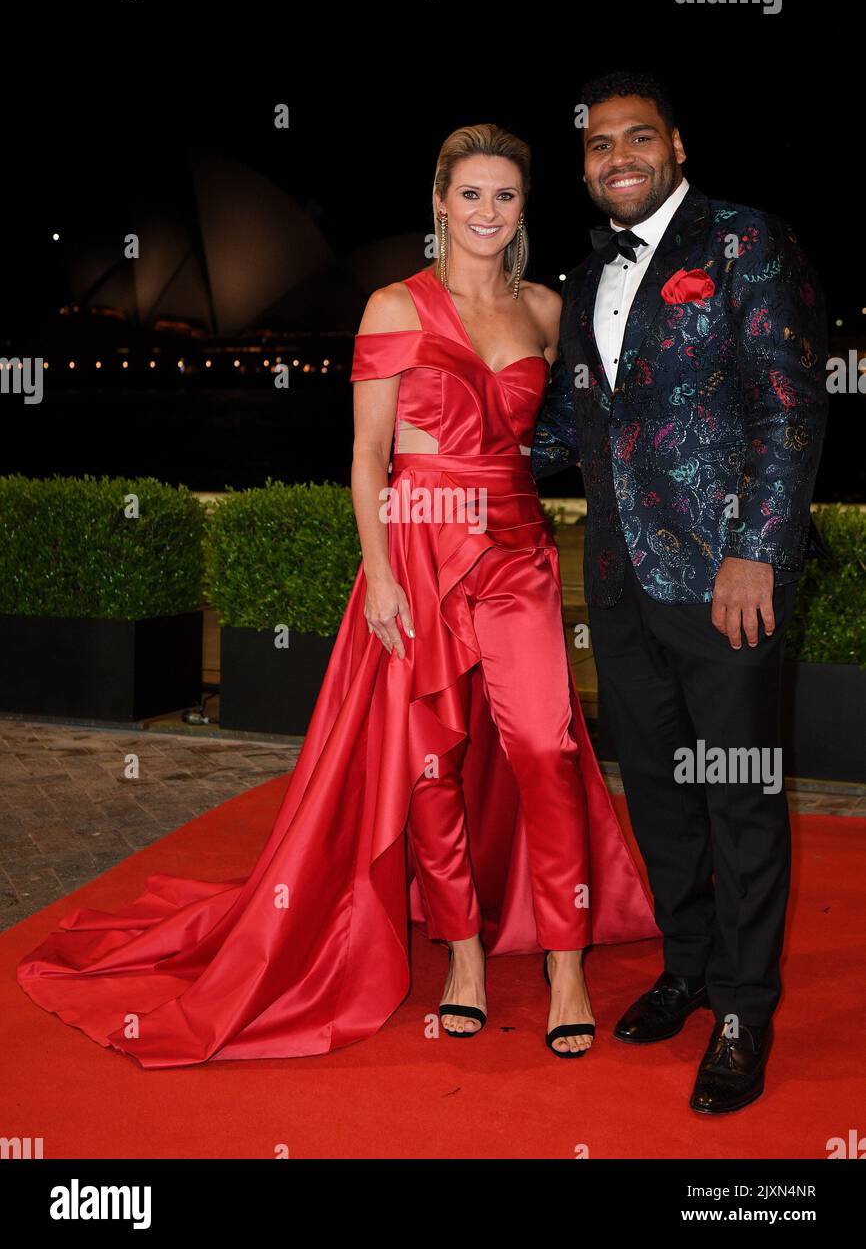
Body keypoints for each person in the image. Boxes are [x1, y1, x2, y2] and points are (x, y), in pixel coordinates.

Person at [17, 123, 658, 1068]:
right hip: (418, 553)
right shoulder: (393, 305)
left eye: (505, 196)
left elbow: (573, 434)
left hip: (518, 553)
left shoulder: (547, 310)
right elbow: (365, 458)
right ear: (440, 202)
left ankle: (567, 965)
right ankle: (466, 958)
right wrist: (384, 577)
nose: (487, 212)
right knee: (430, 762)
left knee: (547, 749)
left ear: (526, 208)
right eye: (470, 195)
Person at [531, 72, 828, 1109]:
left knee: (739, 796)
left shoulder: (744, 242)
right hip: (617, 582)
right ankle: (688, 965)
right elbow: (573, 429)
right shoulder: (579, 279)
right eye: (597, 144)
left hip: (722, 585)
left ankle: (744, 1009)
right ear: (582, 166)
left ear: (674, 146)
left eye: (634, 138)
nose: (616, 156)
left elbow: (788, 405)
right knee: (656, 789)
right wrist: (460, 459)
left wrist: (753, 547)